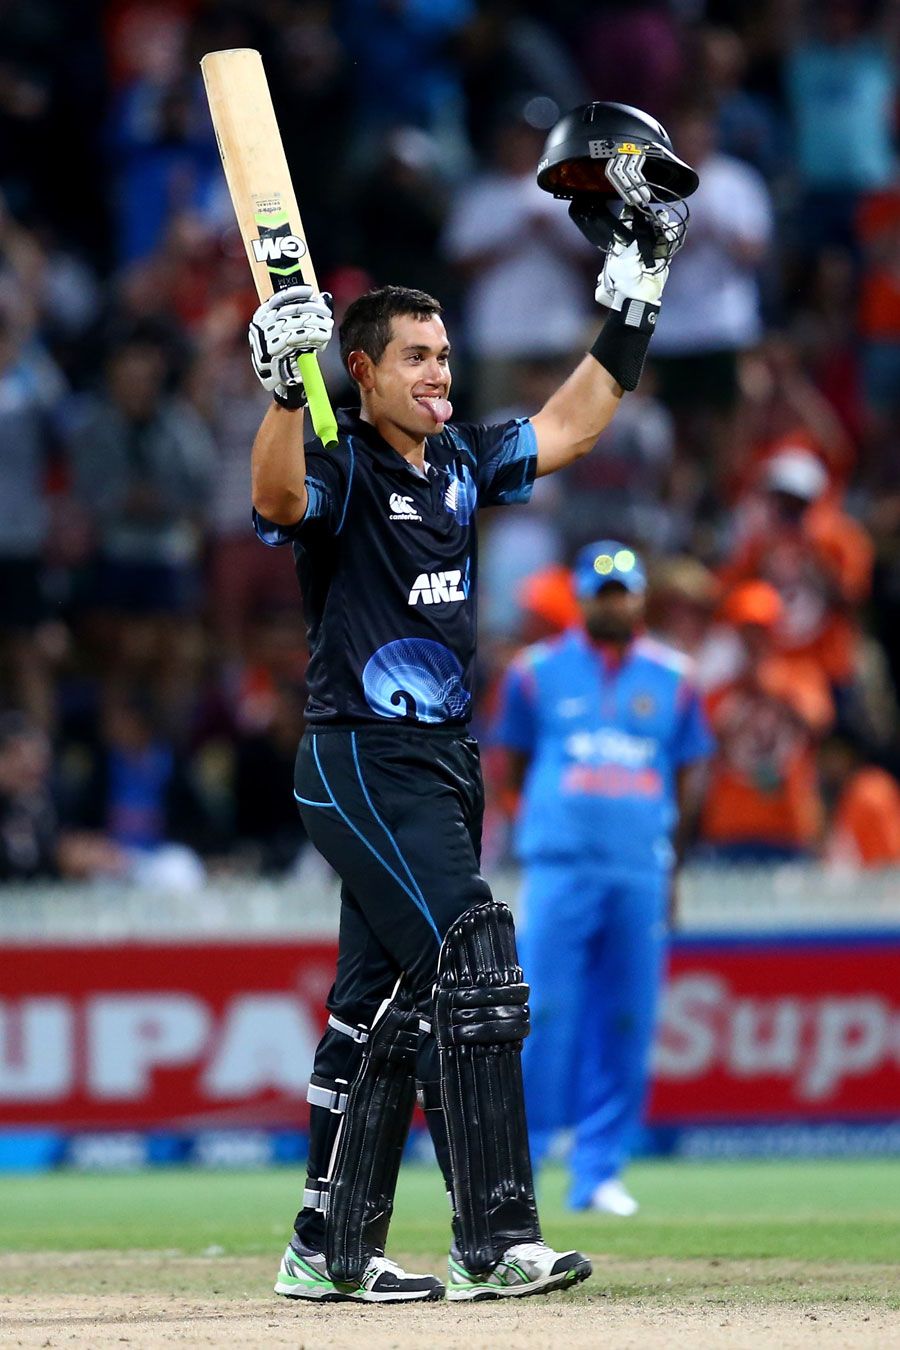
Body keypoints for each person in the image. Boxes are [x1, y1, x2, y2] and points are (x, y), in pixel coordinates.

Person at [247, 115, 686, 1304]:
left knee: (378, 1002)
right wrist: (288, 391)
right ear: (365, 371)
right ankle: (494, 1241)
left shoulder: (455, 462)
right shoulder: (340, 465)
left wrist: (638, 292)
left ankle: (325, 1249)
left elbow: (574, 422)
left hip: (441, 762)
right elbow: (276, 493)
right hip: (356, 757)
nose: (441, 372)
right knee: (475, 963)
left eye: (445, 353)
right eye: (417, 358)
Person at [493, 542, 712, 1216]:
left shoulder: (675, 677)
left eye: (624, 592)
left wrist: (667, 860)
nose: (613, 603)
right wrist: (546, 824)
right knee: (540, 1018)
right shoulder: (535, 673)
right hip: (561, 868)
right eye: (602, 592)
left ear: (640, 597)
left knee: (625, 1019)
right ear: (582, 598)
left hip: (638, 870)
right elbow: (511, 766)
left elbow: (687, 773)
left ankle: (598, 1172)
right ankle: (514, 1173)